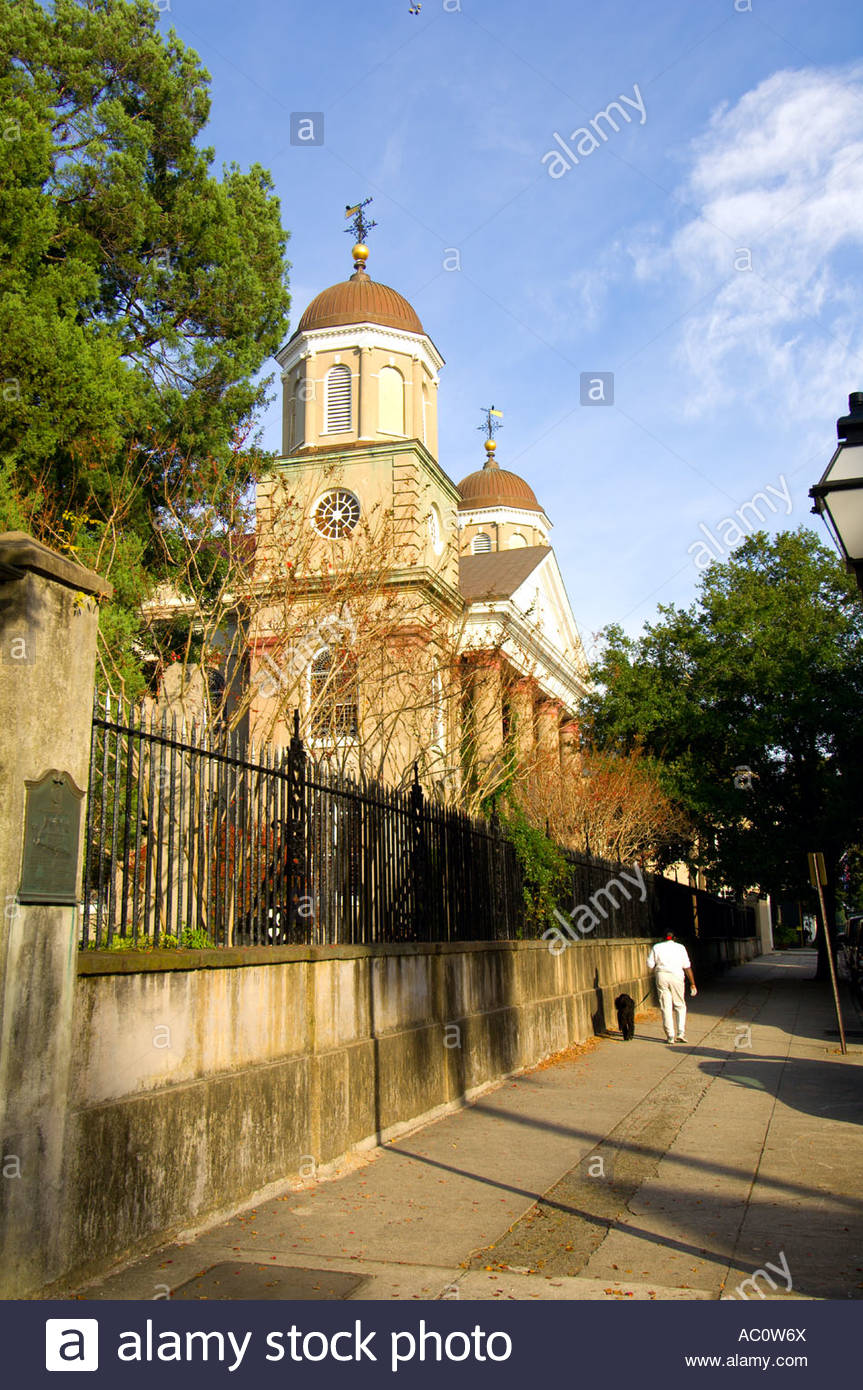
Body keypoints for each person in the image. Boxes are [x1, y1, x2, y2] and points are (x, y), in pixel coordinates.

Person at [647, 932, 697, 1044]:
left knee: (666, 1006)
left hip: (662, 976)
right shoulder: (680, 948)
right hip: (677, 976)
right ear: (674, 938)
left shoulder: (656, 947)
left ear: (663, 937)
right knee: (679, 1004)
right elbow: (687, 966)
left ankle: (670, 1035)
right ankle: (680, 1033)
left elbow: (650, 964)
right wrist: (692, 983)